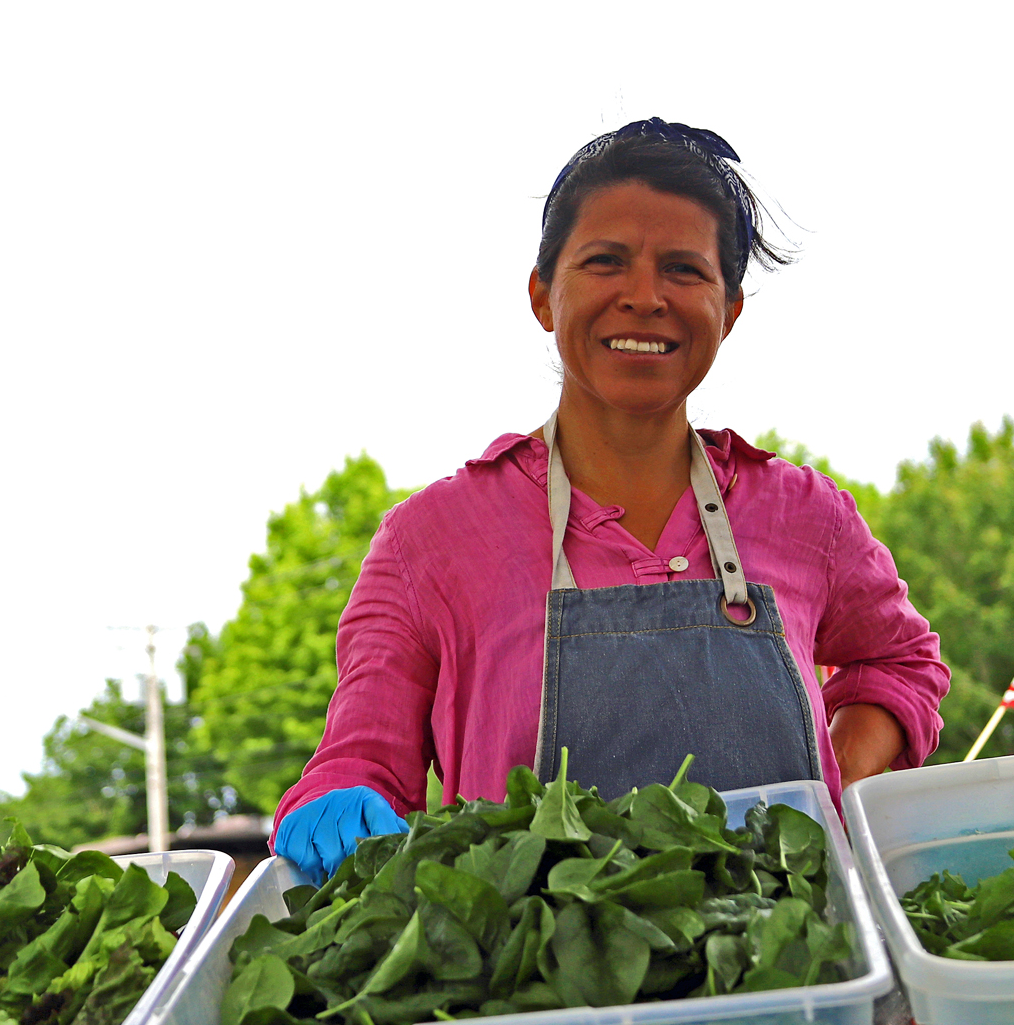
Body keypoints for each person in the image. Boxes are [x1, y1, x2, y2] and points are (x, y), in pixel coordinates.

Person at [270, 118, 949, 884]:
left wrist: (838, 784)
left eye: (686, 271)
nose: (645, 297)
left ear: (729, 312)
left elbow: (902, 660)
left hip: (803, 978)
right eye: (606, 262)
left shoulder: (806, 515)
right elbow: (360, 758)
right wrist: (338, 799)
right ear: (541, 296)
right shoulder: (430, 541)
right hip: (540, 988)